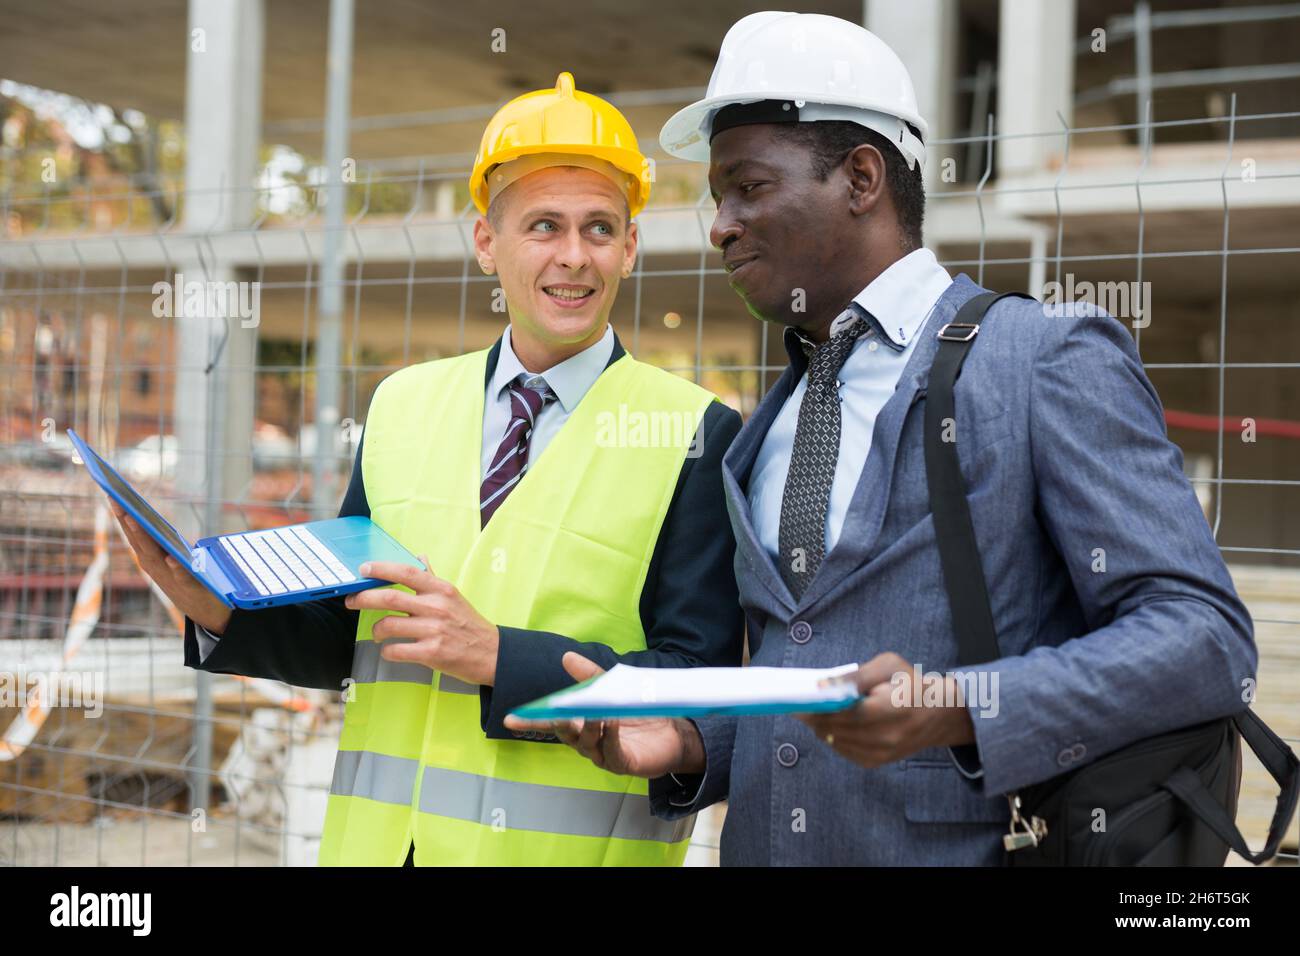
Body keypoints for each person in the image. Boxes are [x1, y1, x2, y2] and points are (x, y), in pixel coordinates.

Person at [506, 13, 1257, 865]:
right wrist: (686, 739)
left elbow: (1203, 639)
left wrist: (959, 705)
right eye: (721, 197)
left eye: (746, 187)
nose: (719, 224)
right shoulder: (770, 422)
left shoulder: (1041, 358)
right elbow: (801, 665)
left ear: (862, 177)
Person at [109, 72, 744, 866]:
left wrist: (500, 658)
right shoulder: (403, 404)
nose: (574, 257)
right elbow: (350, 633)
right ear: (486, 241)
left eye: (600, 229)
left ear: (631, 246)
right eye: (544, 226)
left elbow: (698, 685)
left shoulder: (695, 431)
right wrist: (215, 610)